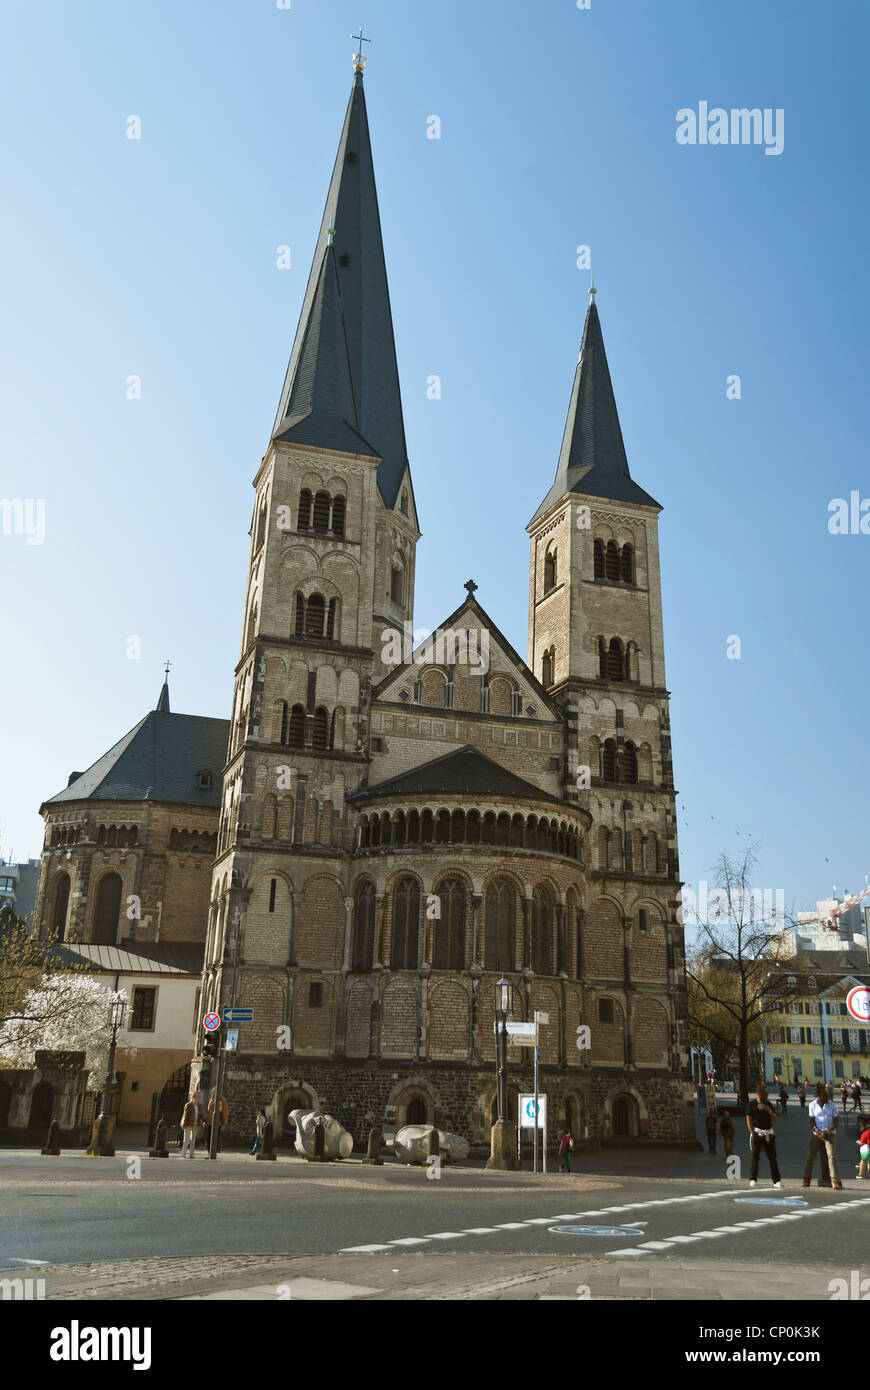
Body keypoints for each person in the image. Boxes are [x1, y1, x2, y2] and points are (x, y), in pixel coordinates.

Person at [803, 1082, 843, 1189]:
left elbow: (836, 1122)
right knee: (810, 1156)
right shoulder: (812, 1105)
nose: (823, 1097)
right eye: (821, 1095)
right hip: (816, 1134)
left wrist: (827, 1131)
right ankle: (806, 1180)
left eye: (825, 1095)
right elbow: (811, 1120)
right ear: (818, 1095)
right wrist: (816, 1130)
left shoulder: (832, 1105)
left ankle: (835, 1181)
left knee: (831, 1156)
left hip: (829, 1134)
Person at [746, 1084, 782, 1187]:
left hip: (768, 1132)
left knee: (772, 1157)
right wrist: (752, 1132)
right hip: (757, 1132)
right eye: (765, 1093)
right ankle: (753, 1179)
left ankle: (776, 1180)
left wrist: (768, 1110)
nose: (767, 1095)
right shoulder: (752, 1104)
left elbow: (775, 1119)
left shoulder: (769, 1104)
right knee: (755, 1157)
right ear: (760, 1094)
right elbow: (748, 1118)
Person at [207, 1088, 229, 1154]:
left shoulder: (222, 1100)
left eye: (214, 1092)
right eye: (212, 1092)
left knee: (216, 1138)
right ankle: (210, 1152)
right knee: (209, 1138)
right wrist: (206, 1121)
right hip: (210, 1123)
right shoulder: (211, 1100)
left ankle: (214, 1152)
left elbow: (224, 1112)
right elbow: (209, 1112)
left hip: (218, 1123)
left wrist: (224, 1123)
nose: (212, 1094)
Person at [180, 1093, 200, 1159]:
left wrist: (204, 1121)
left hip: (195, 1124)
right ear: (193, 1097)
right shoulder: (188, 1105)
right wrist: (184, 1124)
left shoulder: (199, 1106)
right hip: (188, 1124)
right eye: (197, 1097)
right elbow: (185, 1115)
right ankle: (183, 1154)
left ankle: (191, 1154)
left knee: (193, 1140)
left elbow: (201, 1115)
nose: (198, 1098)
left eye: (199, 1097)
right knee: (186, 1139)